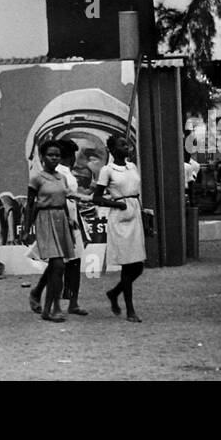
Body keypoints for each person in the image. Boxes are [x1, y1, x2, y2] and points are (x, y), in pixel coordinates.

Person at [27, 137, 88, 315]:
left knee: (66, 262)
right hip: (55, 220)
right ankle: (54, 302)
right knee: (60, 264)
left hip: (68, 218)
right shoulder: (58, 174)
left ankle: (67, 302)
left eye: (58, 155)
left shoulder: (64, 174)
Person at [93, 133, 146, 323]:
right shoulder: (107, 170)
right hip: (120, 215)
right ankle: (130, 309)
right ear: (112, 149)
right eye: (122, 145)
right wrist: (117, 204)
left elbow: (135, 189)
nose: (126, 147)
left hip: (135, 213)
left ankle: (114, 293)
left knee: (138, 266)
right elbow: (96, 198)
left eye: (127, 144)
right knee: (127, 264)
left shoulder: (132, 166)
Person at [22, 139, 74, 323]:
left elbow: (65, 200)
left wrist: (69, 218)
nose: (54, 158)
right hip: (45, 219)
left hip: (61, 220)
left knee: (57, 265)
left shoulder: (62, 177)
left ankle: (46, 304)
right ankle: (52, 307)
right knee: (58, 265)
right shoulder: (37, 178)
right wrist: (26, 229)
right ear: (43, 157)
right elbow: (30, 205)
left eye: (57, 155)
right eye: (50, 155)